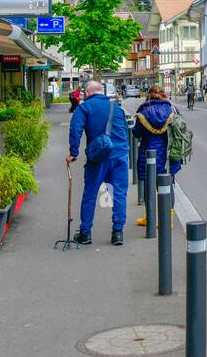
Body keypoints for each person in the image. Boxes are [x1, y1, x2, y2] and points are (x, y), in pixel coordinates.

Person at [67, 80, 129, 246]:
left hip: (98, 158)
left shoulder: (84, 107)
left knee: (90, 194)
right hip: (120, 154)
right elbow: (123, 128)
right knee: (119, 193)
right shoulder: (116, 107)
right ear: (102, 92)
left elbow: (75, 129)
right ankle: (118, 233)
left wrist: (74, 153)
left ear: (87, 93)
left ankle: (85, 233)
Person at [132, 86, 177, 227]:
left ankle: (150, 218)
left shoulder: (143, 110)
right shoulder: (171, 110)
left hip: (148, 151)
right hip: (168, 152)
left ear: (149, 95)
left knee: (149, 185)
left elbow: (136, 133)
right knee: (167, 185)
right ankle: (167, 219)